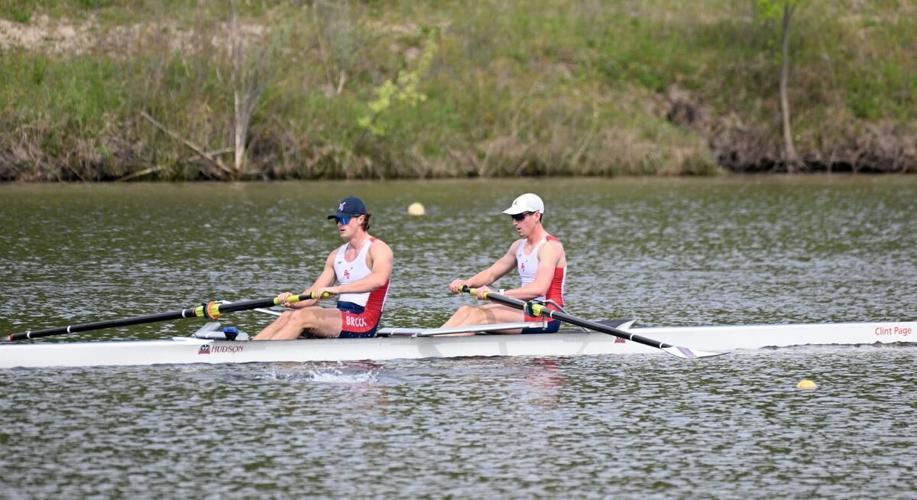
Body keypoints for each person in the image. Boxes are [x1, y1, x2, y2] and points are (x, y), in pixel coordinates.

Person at [254, 196, 393, 340]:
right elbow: (312, 296)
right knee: (286, 316)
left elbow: (379, 280)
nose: (340, 224)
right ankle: (250, 347)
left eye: (344, 219)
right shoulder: (336, 255)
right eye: (337, 220)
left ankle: (265, 351)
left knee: (302, 317)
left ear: (361, 219)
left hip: (364, 321)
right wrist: (290, 300)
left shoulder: (378, 249)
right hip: (342, 315)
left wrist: (337, 289)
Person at [443, 193, 566, 334]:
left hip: (546, 316)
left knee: (479, 316)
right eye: (513, 217)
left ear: (536, 216)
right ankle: (432, 341)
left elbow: (539, 289)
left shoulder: (550, 247)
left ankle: (441, 345)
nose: (515, 223)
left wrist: (499, 294)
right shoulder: (518, 246)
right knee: (465, 311)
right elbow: (491, 273)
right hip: (526, 309)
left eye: (519, 217)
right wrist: (467, 283)